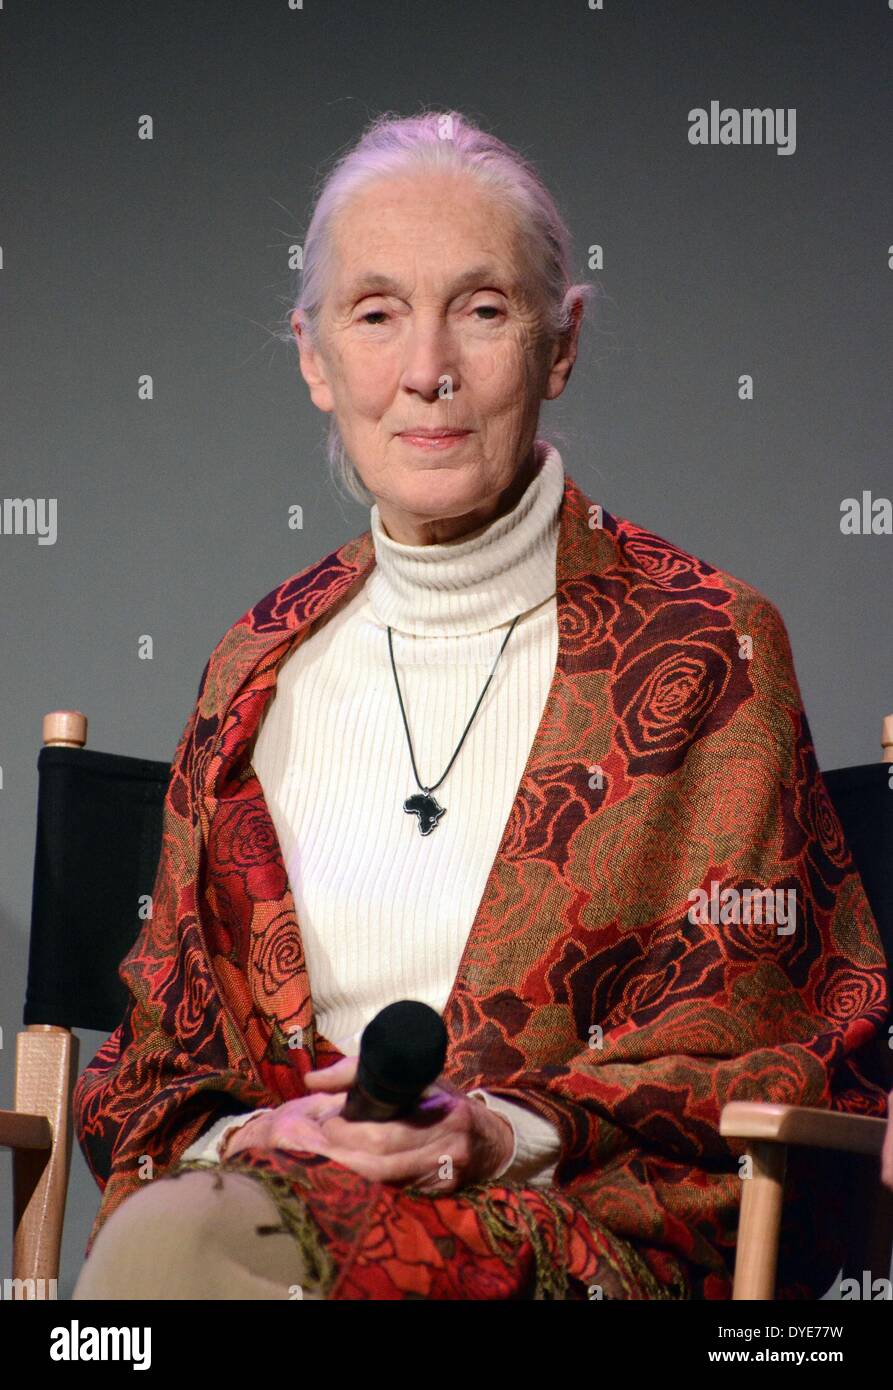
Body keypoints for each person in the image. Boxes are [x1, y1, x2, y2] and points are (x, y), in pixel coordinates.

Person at [72, 109, 891, 1301]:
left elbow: (783, 1065)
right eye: (375, 312)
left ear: (560, 347)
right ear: (313, 358)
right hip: (264, 1220)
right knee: (195, 1248)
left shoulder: (710, 650)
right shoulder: (252, 671)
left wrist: (499, 1130)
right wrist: (251, 1140)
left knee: (170, 1267)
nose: (426, 369)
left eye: (483, 308)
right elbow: (158, 1067)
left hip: (575, 1247)